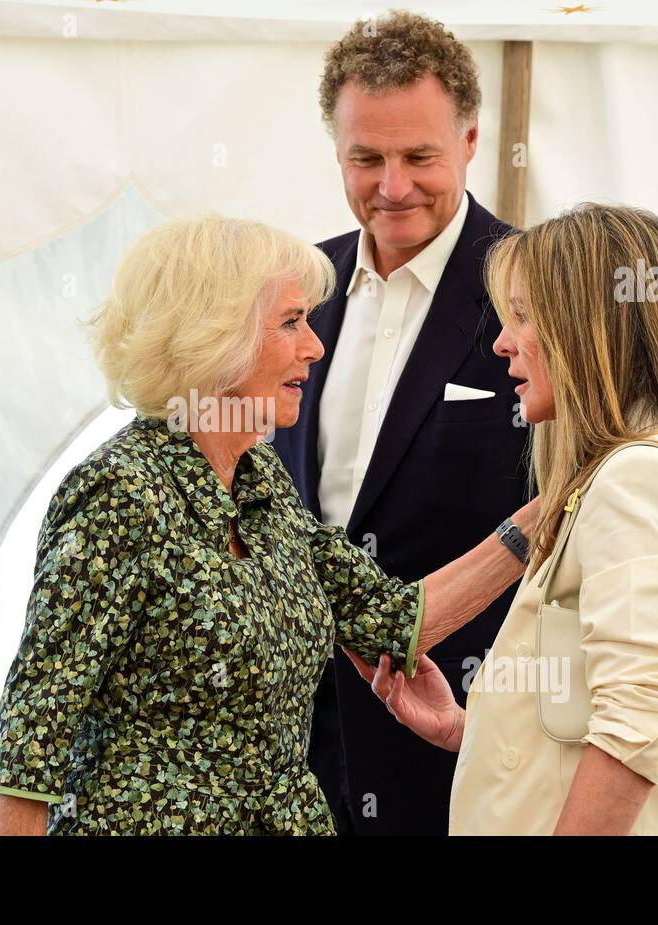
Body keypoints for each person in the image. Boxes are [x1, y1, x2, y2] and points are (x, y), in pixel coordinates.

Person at [0, 215, 538, 835]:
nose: (315, 346)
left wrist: (542, 517)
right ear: (211, 337)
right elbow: (32, 735)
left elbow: (390, 620)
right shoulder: (119, 490)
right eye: (289, 323)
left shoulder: (260, 478)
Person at [350, 203, 658, 834]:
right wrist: (468, 728)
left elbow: (637, 721)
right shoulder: (635, 471)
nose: (501, 342)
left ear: (587, 327)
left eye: (522, 316)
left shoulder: (636, 480)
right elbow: (603, 711)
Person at [271, 10, 529, 835]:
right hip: (295, 744)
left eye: (419, 157)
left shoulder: (534, 290)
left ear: (471, 141)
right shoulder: (295, 285)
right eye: (365, 158)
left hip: (462, 736)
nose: (391, 187)